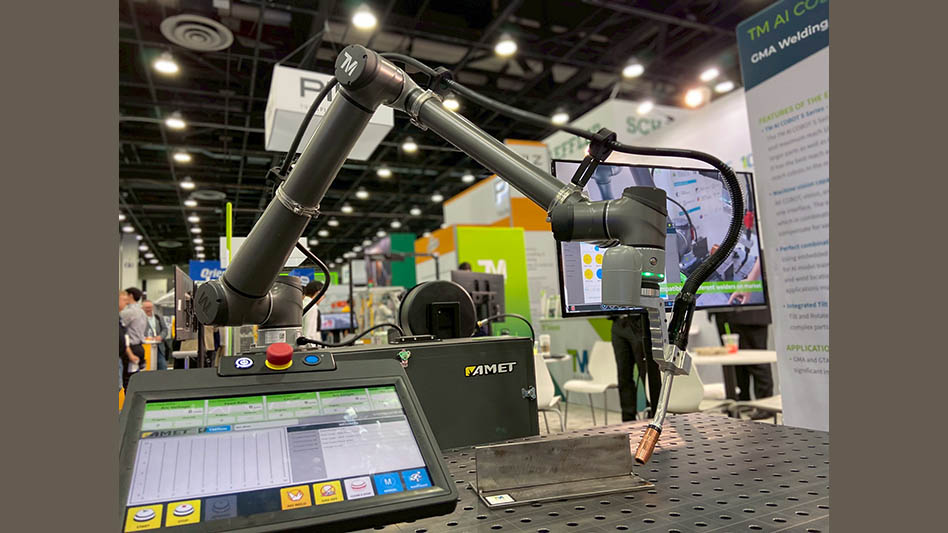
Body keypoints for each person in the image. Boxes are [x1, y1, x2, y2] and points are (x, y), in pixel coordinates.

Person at [712, 307, 774, 416]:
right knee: (735, 365)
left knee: (757, 362)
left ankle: (765, 407)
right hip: (724, 313)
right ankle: (740, 405)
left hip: (750, 313)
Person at [610, 312, 661, 421]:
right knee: (623, 375)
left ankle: (653, 417)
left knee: (647, 375)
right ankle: (628, 419)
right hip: (618, 322)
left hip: (638, 321)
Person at [121, 287, 148, 377]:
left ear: (131, 296)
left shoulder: (128, 312)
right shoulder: (142, 312)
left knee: (126, 378)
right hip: (140, 348)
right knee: (135, 377)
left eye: (125, 296)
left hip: (130, 349)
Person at [118, 291, 139, 390]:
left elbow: (124, 338)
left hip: (120, 357)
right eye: (124, 300)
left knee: (119, 386)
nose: (126, 303)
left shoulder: (119, 317)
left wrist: (130, 355)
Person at [142, 300, 169, 370]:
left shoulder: (158, 317)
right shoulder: (139, 318)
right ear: (142, 308)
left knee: (162, 366)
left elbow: (165, 329)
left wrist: (160, 336)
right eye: (146, 308)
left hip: (159, 347)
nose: (148, 309)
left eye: (150, 307)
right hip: (146, 347)